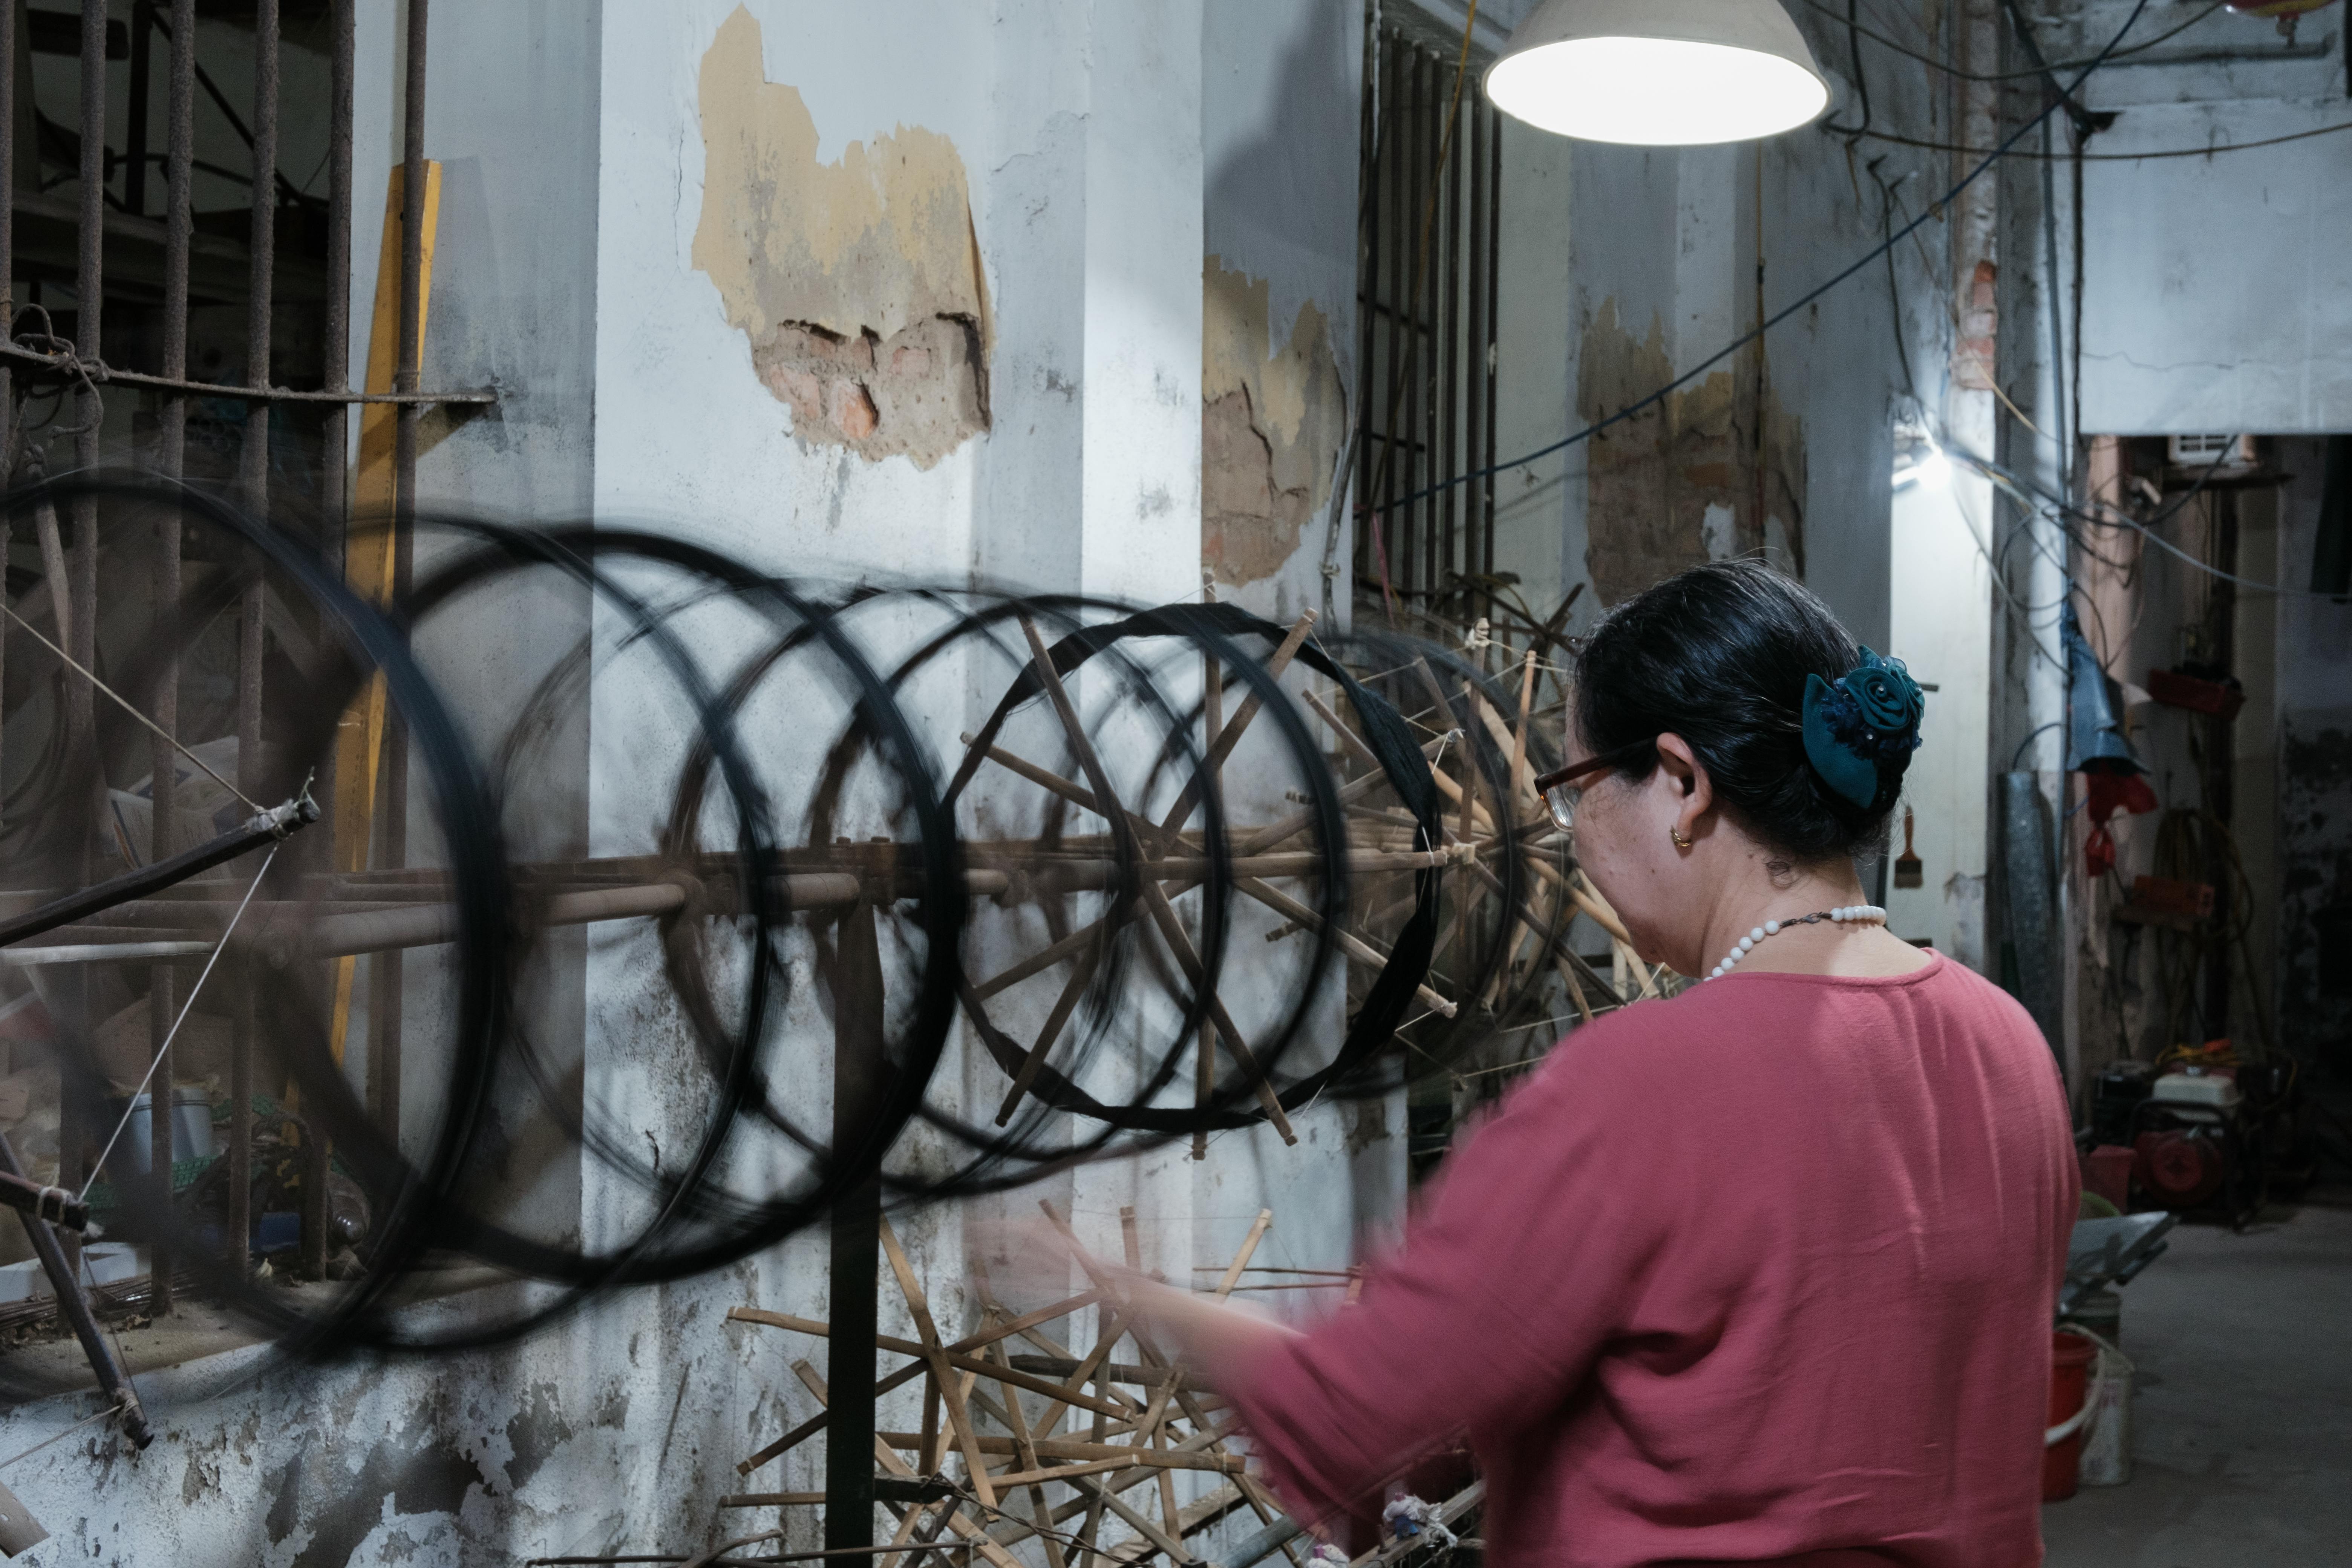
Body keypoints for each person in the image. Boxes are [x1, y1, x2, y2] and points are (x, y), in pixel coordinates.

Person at [1064, 562, 2078, 1566]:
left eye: (1575, 790)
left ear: (1681, 785)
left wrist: (1117, 1288)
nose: (1573, 836)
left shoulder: (1646, 1081)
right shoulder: (2007, 1047)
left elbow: (1366, 1407)